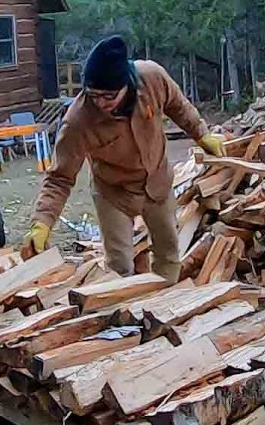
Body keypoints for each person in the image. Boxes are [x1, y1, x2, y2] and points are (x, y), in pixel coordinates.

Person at [21, 35, 223, 282]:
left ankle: (167, 297)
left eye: (109, 96)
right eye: (94, 95)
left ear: (126, 84)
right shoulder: (78, 121)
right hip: (114, 193)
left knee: (169, 254)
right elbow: (60, 177)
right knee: (119, 265)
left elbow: (179, 107)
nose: (100, 103)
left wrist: (202, 134)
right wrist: (42, 222)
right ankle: (123, 302)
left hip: (157, 183)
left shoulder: (152, 78)